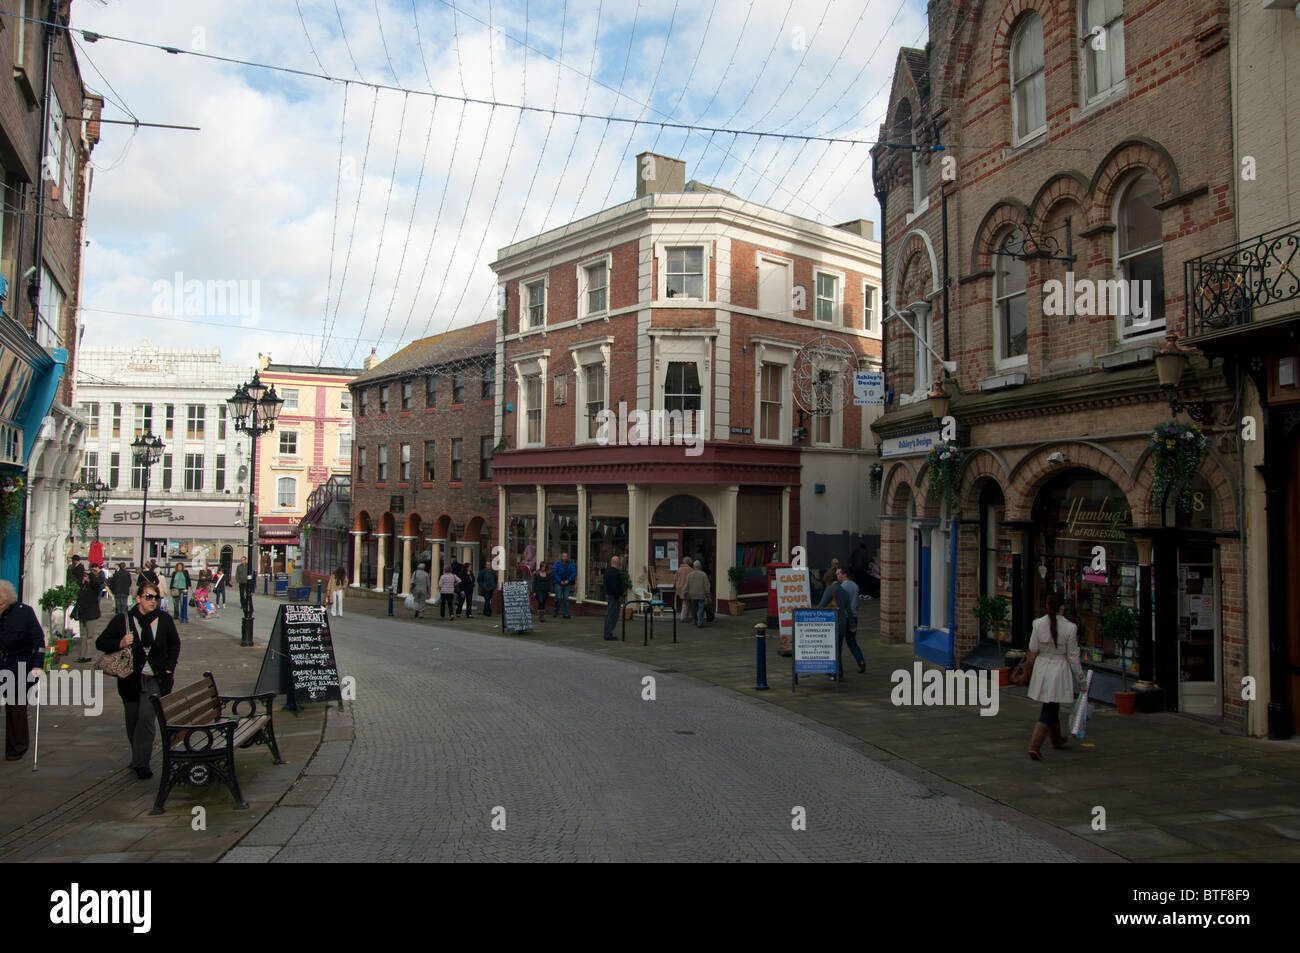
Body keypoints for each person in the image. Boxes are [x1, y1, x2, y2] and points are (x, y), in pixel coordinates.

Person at [96, 580, 180, 780]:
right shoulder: (123, 620)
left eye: (156, 597)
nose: (153, 601)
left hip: (154, 679)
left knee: (146, 718)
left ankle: (142, 763)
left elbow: (174, 644)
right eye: (148, 597)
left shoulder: (163, 619)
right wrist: (120, 642)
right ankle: (138, 756)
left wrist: (169, 669)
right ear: (138, 599)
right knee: (132, 720)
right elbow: (101, 642)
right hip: (130, 679)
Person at [1026, 591, 1086, 760]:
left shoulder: (1038, 624)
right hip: (1058, 669)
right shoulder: (1070, 628)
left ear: (1047, 606)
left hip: (1042, 667)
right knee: (1049, 707)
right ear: (1062, 608)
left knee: (1052, 704)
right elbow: (1073, 657)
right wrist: (1081, 679)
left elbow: (1033, 648)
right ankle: (1034, 745)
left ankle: (1057, 740)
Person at [0, 580, 44, 761]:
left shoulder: (24, 612)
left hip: (18, 665)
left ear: (8, 600)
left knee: (16, 708)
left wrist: (37, 665)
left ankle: (16, 748)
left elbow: (38, 640)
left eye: (1, 603)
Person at [833, 567, 866, 674]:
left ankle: (839, 670)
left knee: (839, 643)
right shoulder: (855, 586)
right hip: (854, 617)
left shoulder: (841, 587)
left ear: (844, 574)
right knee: (852, 642)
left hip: (844, 618)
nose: (837, 576)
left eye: (838, 574)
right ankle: (860, 660)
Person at [74, 564, 105, 632]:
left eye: (87, 576)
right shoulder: (84, 586)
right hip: (83, 614)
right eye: (85, 576)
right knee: (83, 636)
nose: (86, 577)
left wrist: (91, 574)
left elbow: (96, 583)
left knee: (90, 636)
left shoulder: (95, 586)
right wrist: (74, 612)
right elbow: (79, 599)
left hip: (91, 614)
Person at [602, 556, 624, 641]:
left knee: (609, 614)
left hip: (610, 595)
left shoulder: (607, 571)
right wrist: (618, 594)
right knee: (612, 615)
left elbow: (606, 584)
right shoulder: (615, 572)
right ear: (617, 562)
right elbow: (615, 585)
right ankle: (608, 634)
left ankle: (607, 632)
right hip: (614, 596)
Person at [685, 560, 712, 627]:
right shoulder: (703, 575)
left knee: (693, 609)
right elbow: (707, 586)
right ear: (700, 566)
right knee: (701, 609)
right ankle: (700, 622)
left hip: (692, 595)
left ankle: (694, 620)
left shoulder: (689, 575)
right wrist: (708, 594)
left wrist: (685, 593)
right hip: (701, 595)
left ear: (694, 566)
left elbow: (686, 585)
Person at [552, 551, 576, 619]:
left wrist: (568, 580)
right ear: (561, 556)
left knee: (566, 599)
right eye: (563, 556)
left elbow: (573, 572)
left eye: (566, 556)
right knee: (558, 598)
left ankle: (565, 613)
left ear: (567, 557)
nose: (565, 558)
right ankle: (555, 611)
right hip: (558, 583)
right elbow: (554, 572)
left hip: (566, 583)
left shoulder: (570, 563)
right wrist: (560, 580)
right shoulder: (557, 563)